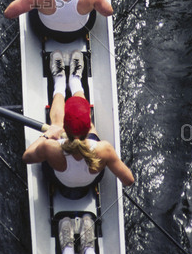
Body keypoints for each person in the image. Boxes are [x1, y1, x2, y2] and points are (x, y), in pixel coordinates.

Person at [22, 50, 135, 195]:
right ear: (88, 128)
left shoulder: (49, 147)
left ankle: (60, 82)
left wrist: (48, 134)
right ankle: (75, 80)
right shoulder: (105, 150)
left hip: (58, 179)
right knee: (81, 113)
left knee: (55, 122)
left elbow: (26, 157)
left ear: (65, 128)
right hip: (91, 180)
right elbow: (129, 180)